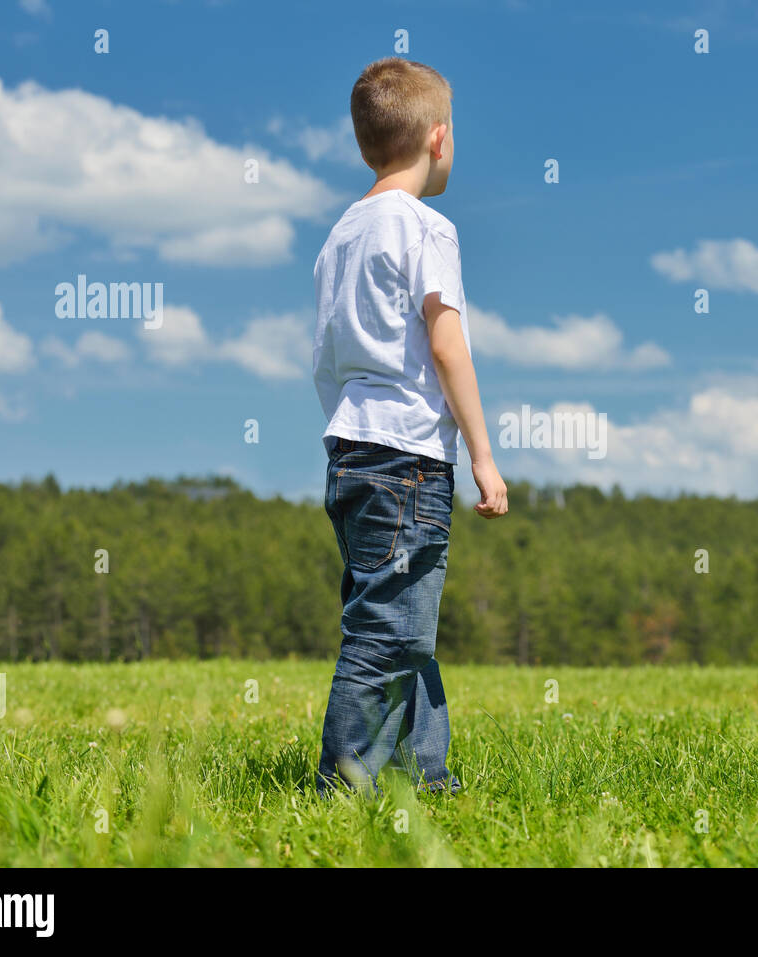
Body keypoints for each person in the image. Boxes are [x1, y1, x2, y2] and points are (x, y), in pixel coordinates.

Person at [312, 58, 508, 797]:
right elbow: (447, 342)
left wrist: (345, 433)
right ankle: (344, 791)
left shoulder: (340, 236)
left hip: (351, 448)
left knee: (405, 627)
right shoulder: (427, 227)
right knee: (386, 635)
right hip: (409, 457)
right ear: (438, 137)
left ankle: (425, 781)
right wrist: (484, 457)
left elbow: (327, 356)